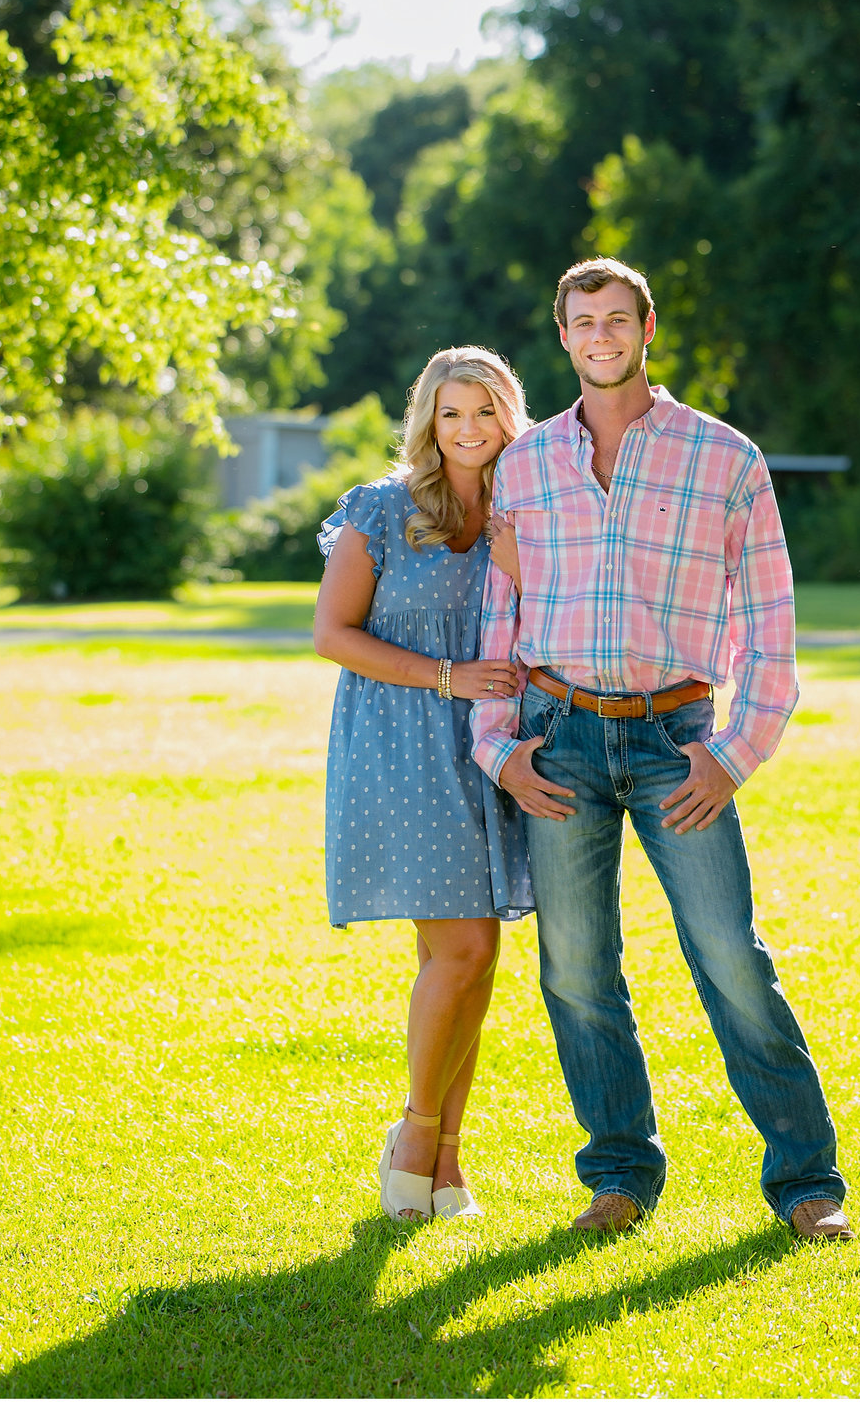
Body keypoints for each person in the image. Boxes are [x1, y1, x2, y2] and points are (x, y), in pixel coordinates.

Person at [472, 258, 853, 1241]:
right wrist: (498, 748)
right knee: (575, 968)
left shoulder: (725, 458)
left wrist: (733, 752)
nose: (599, 335)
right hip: (556, 739)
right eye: (580, 320)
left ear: (646, 327)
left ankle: (808, 1181)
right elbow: (495, 619)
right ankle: (619, 1175)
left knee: (728, 954)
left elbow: (771, 626)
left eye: (615, 318)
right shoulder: (524, 466)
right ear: (561, 336)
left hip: (677, 741)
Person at [314, 346, 533, 1225]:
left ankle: (446, 1159)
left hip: (498, 745)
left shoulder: (528, 507)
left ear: (508, 417)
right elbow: (333, 633)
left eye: (484, 411)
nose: (469, 429)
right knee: (466, 950)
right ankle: (414, 1134)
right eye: (451, 414)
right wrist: (446, 675)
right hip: (403, 742)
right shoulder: (383, 508)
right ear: (428, 423)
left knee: (469, 961)